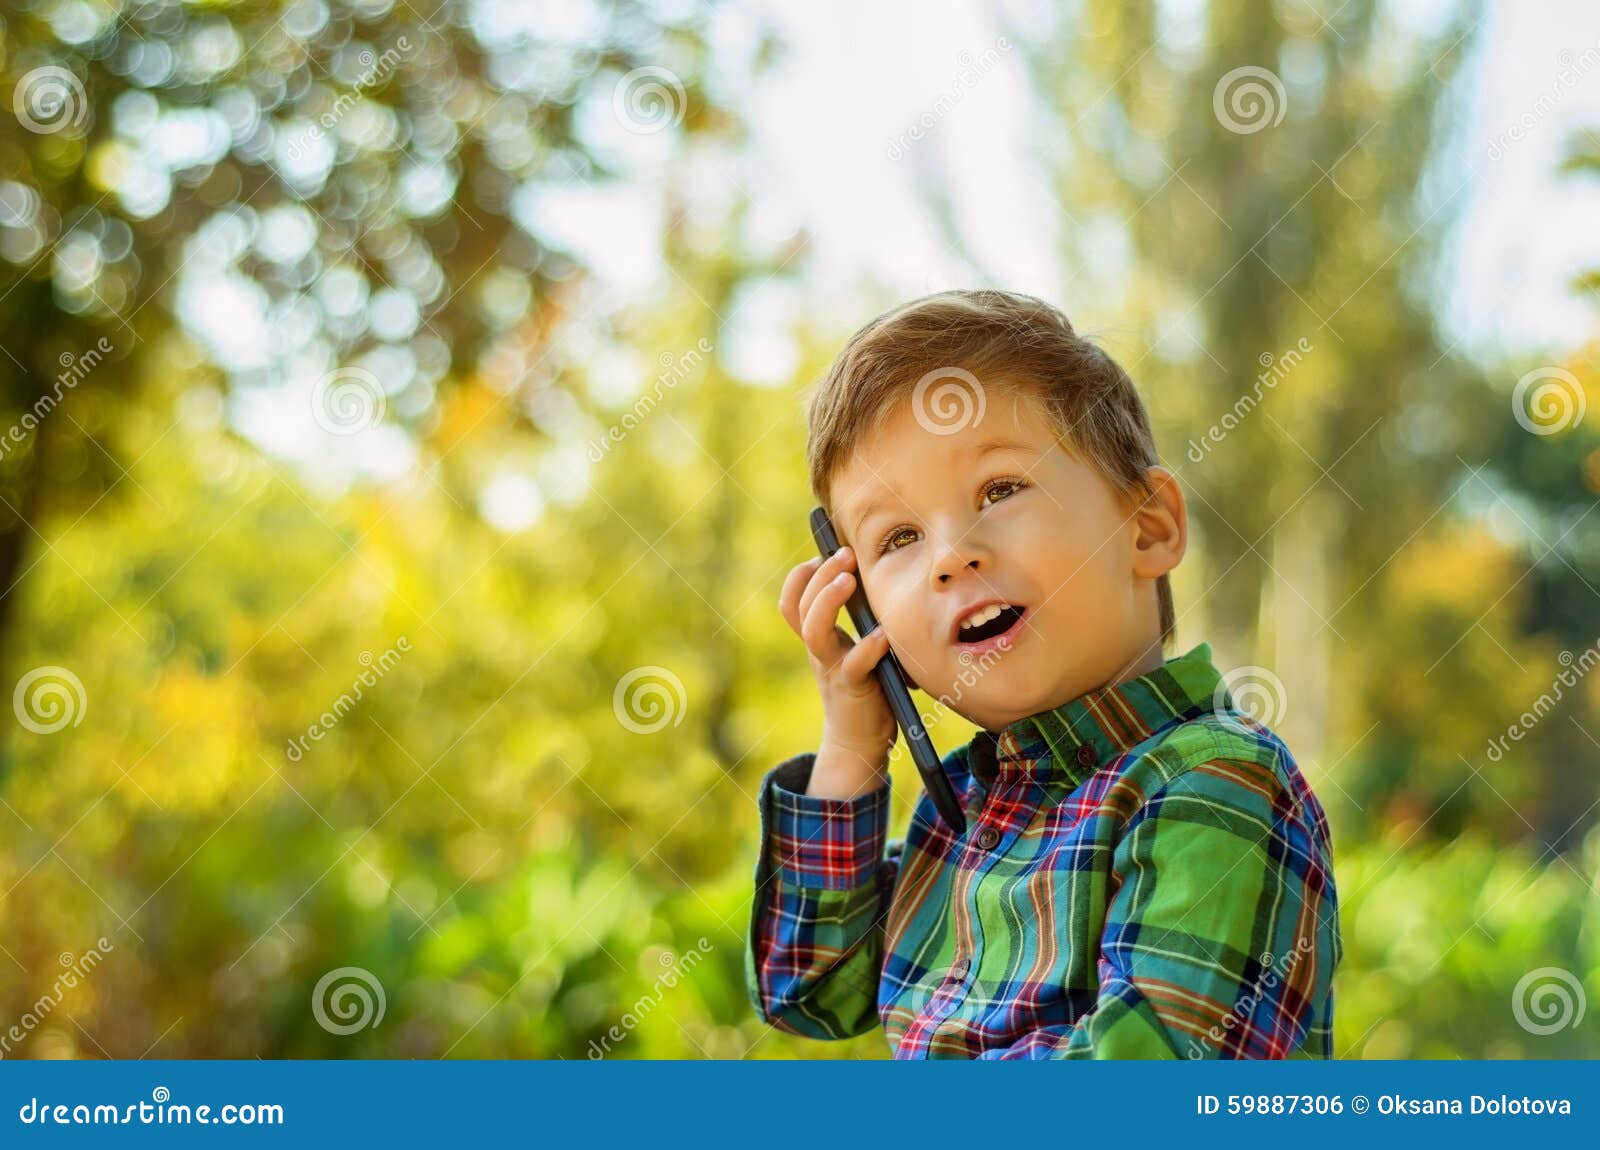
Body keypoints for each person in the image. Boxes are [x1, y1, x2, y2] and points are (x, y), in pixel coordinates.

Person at [745, 289, 1341, 1058]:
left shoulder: (1215, 786)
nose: (951, 555)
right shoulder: (963, 813)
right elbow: (811, 987)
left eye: (1000, 490)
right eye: (897, 537)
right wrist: (854, 741)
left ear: (1147, 527)